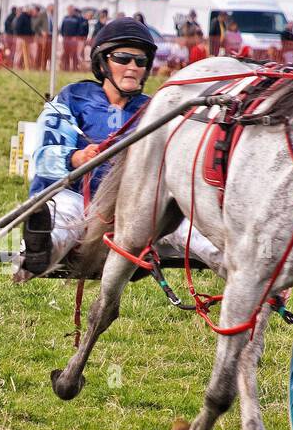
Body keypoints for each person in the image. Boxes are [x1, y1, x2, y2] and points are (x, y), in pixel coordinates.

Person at [17, 16, 220, 277]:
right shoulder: (73, 98)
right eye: (123, 58)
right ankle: (36, 253)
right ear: (103, 63)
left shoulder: (157, 107)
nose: (133, 67)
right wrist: (78, 158)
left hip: (141, 208)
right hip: (78, 198)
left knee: (193, 228)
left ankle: (244, 271)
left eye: (140, 61)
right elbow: (44, 158)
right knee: (64, 217)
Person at [59, 4, 83, 72]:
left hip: (74, 39)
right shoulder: (65, 18)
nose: (70, 11)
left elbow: (79, 29)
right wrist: (63, 36)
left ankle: (74, 68)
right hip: (66, 38)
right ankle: (66, 68)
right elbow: (62, 28)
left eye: (71, 10)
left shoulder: (77, 18)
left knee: (74, 54)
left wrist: (76, 37)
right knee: (66, 54)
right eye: (69, 10)